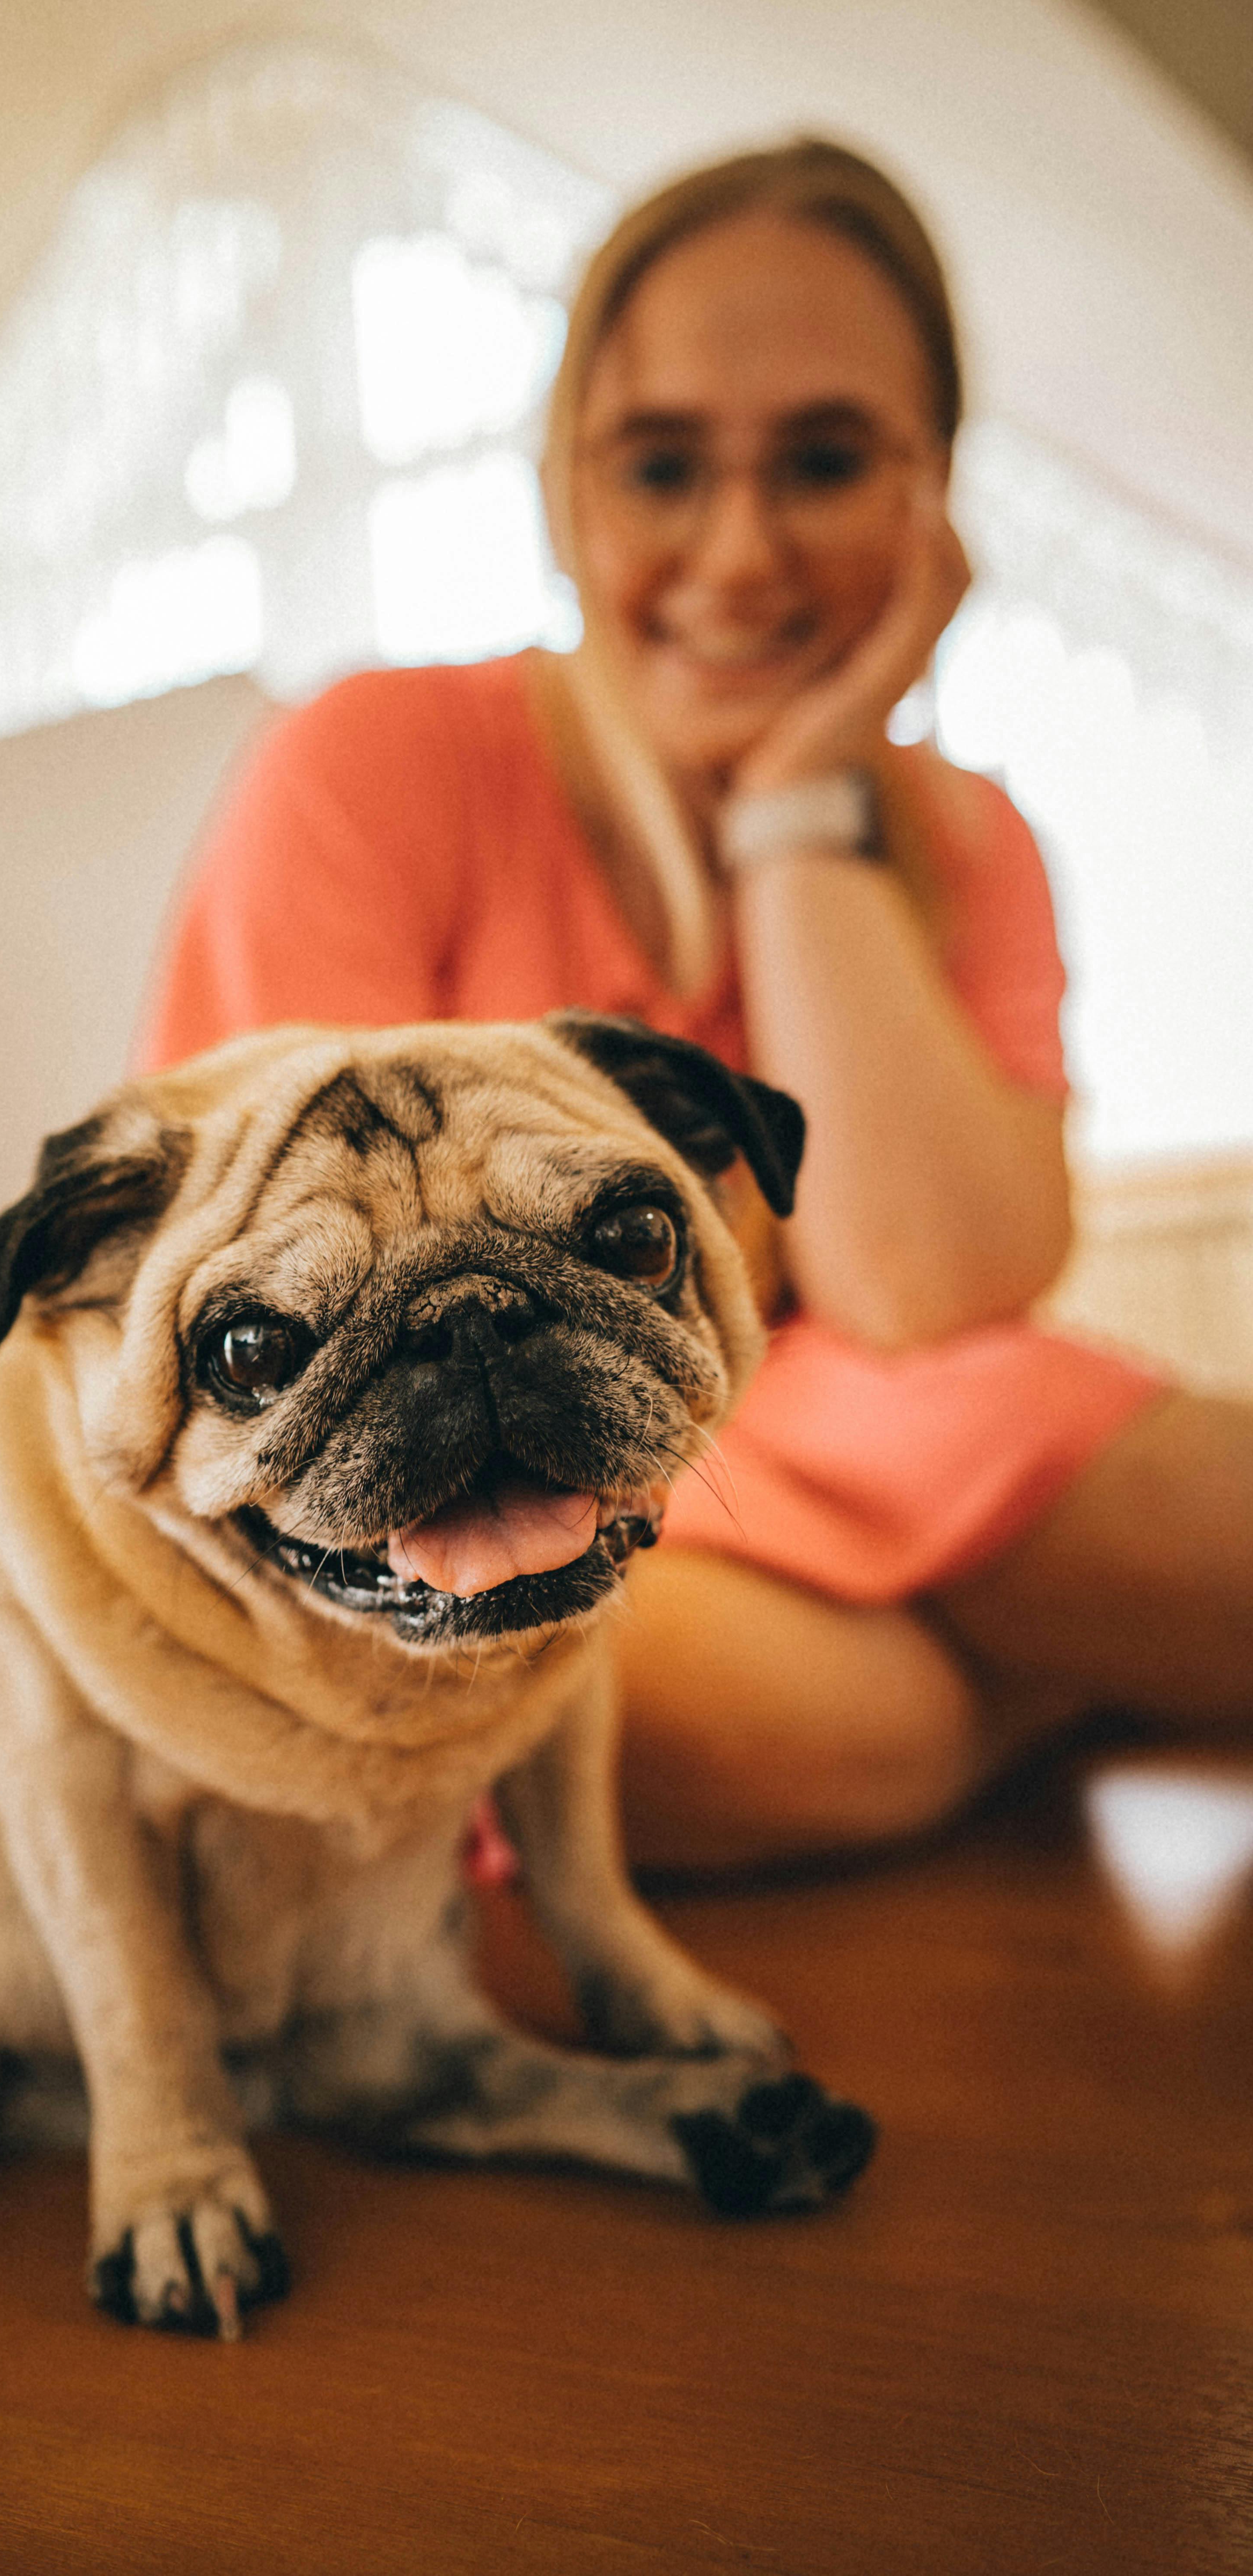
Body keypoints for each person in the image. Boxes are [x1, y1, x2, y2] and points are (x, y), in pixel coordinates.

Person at [139, 139, 1253, 1872]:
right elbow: (318, 1347)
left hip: (868, 1425)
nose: (738, 556)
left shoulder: (972, 843)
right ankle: (1040, 1683)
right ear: (567, 490)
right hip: (479, 1482)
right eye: (662, 466)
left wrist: (800, 809)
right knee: (805, 1720)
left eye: (824, 462)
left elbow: (921, 1296)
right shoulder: (371, 766)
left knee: (1022, 1527)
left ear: (933, 490)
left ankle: (991, 1689)